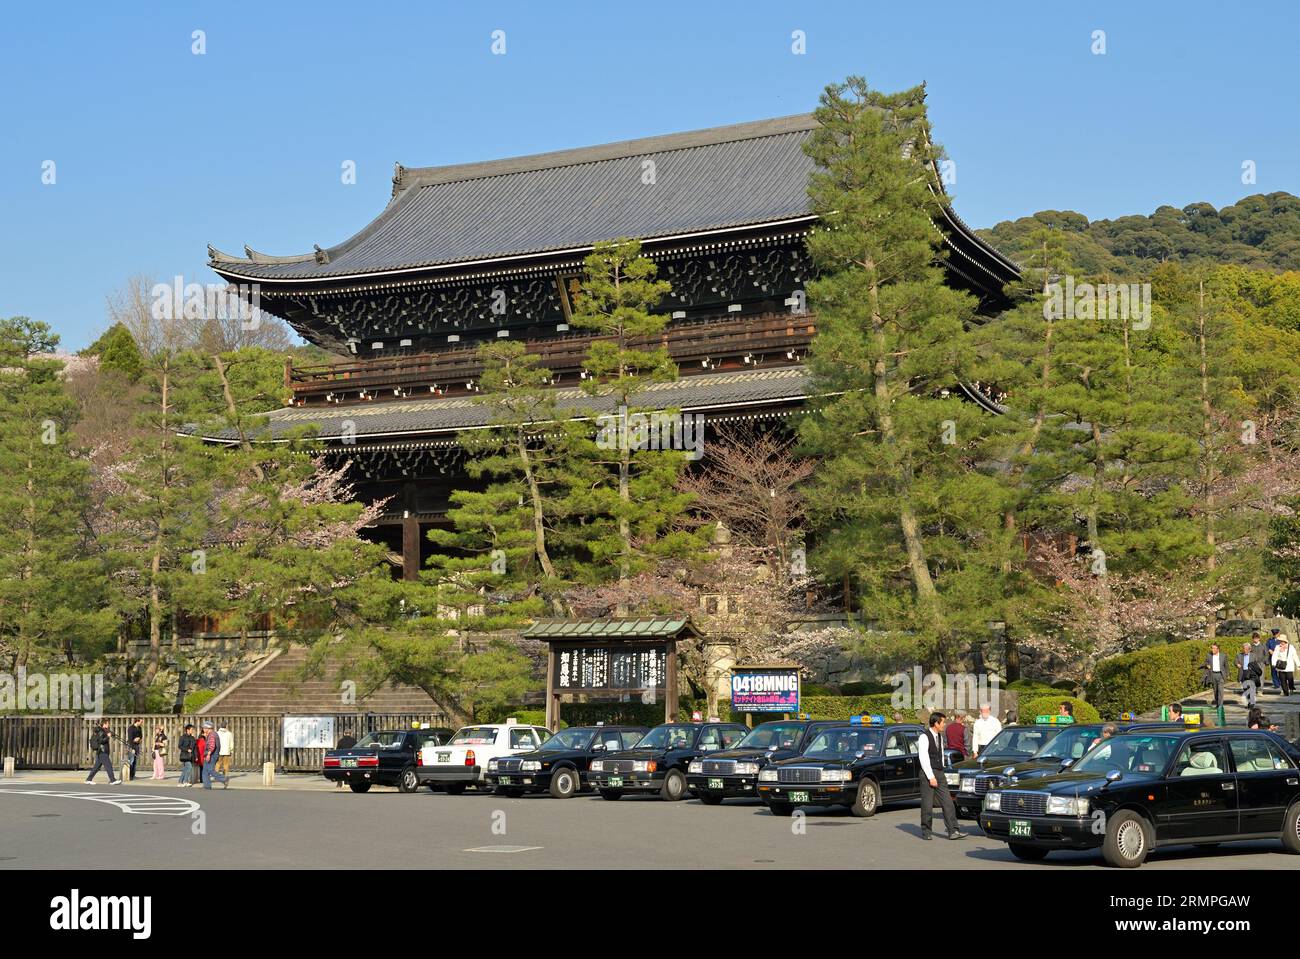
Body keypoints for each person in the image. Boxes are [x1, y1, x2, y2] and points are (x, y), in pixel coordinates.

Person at [917, 712, 964, 842]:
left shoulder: (940, 736)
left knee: (948, 802)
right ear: (936, 723)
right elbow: (923, 758)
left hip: (939, 772)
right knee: (927, 804)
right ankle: (926, 830)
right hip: (928, 772)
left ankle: (953, 830)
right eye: (942, 722)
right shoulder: (924, 737)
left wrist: (942, 770)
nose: (944, 724)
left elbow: (941, 754)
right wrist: (931, 776)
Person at [84, 720, 120, 785]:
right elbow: (101, 741)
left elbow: (111, 734)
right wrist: (107, 737)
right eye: (108, 724)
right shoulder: (101, 731)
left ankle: (88, 779)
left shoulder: (104, 730)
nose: (109, 725)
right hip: (102, 751)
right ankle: (112, 780)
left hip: (101, 752)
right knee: (108, 766)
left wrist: (111, 734)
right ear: (104, 724)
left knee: (96, 767)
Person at [199, 721, 222, 790]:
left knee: (210, 770)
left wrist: (208, 754)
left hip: (212, 755)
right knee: (205, 771)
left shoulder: (212, 735)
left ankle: (224, 779)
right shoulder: (212, 734)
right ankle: (207, 785)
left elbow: (212, 746)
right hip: (212, 754)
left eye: (204, 727)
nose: (203, 729)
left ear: (208, 728)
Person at [1202, 643, 1226, 709]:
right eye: (1212, 648)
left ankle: (1220, 706)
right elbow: (1205, 662)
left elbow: (1226, 666)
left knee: (1220, 690)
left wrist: (1227, 675)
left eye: (1214, 648)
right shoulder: (1209, 655)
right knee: (1215, 691)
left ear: (1218, 649)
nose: (1212, 649)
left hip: (1220, 675)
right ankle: (1218, 704)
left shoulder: (1223, 655)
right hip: (1213, 674)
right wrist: (1207, 665)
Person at [1238, 642, 1261, 709]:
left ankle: (1252, 703)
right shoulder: (1239, 655)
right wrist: (1237, 664)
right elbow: (1236, 661)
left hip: (1251, 674)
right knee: (1245, 689)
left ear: (1249, 649)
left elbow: (1257, 664)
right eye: (1244, 649)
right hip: (1243, 673)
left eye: (1246, 649)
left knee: (1251, 688)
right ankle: (1250, 701)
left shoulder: (1253, 655)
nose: (1245, 650)